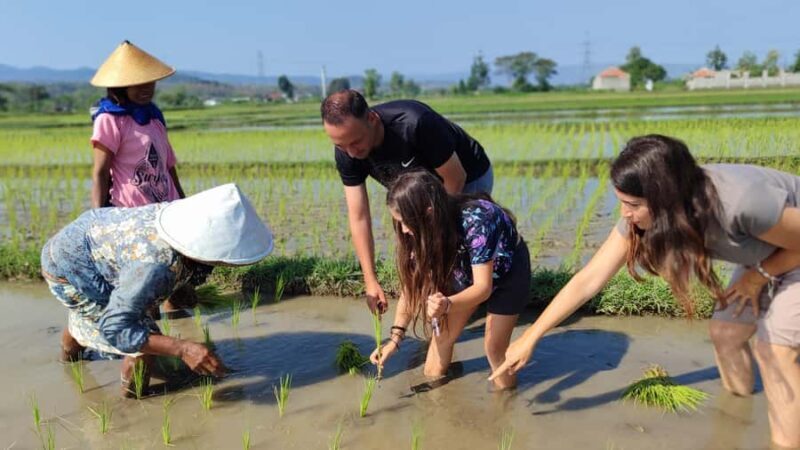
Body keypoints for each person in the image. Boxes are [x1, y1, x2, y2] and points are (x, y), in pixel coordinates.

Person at [489, 135, 800, 448]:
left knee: (775, 348)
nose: (625, 213)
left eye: (633, 205)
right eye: (622, 202)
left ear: (667, 199)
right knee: (726, 334)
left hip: (791, 252)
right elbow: (589, 279)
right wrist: (530, 337)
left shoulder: (741, 202)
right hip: (768, 251)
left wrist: (758, 278)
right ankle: (737, 418)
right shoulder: (647, 213)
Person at [41, 184, 274, 397]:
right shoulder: (156, 267)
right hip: (69, 267)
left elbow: (182, 264)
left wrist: (182, 289)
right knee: (140, 344)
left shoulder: (181, 221)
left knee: (94, 315)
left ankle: (69, 362)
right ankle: (132, 403)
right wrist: (183, 349)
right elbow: (116, 327)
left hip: (93, 242)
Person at [321, 89, 494, 315]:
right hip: (417, 194)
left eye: (356, 142)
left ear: (372, 119)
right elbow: (359, 216)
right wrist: (370, 280)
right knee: (420, 253)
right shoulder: (347, 151)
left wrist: (433, 232)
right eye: (341, 146)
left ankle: (475, 296)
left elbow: (455, 178)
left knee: (452, 245)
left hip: (468, 176)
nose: (351, 153)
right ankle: (435, 304)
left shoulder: (415, 123)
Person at [369, 171, 530, 389]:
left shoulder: (478, 220)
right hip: (463, 268)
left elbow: (482, 288)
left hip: (508, 271)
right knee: (441, 337)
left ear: (428, 213)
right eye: (399, 222)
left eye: (406, 222)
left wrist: (447, 304)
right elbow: (411, 289)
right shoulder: (419, 234)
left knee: (494, 349)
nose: (404, 230)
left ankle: (506, 403)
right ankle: (433, 401)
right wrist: (394, 340)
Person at [89, 40, 189, 313]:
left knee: (174, 266)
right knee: (144, 275)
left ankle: (173, 310)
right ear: (121, 86)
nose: (147, 90)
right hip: (132, 212)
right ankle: (149, 325)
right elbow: (99, 172)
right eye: (138, 84)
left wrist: (182, 200)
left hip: (164, 207)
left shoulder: (155, 116)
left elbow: (168, 164)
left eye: (150, 84)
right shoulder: (109, 119)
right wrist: (97, 219)